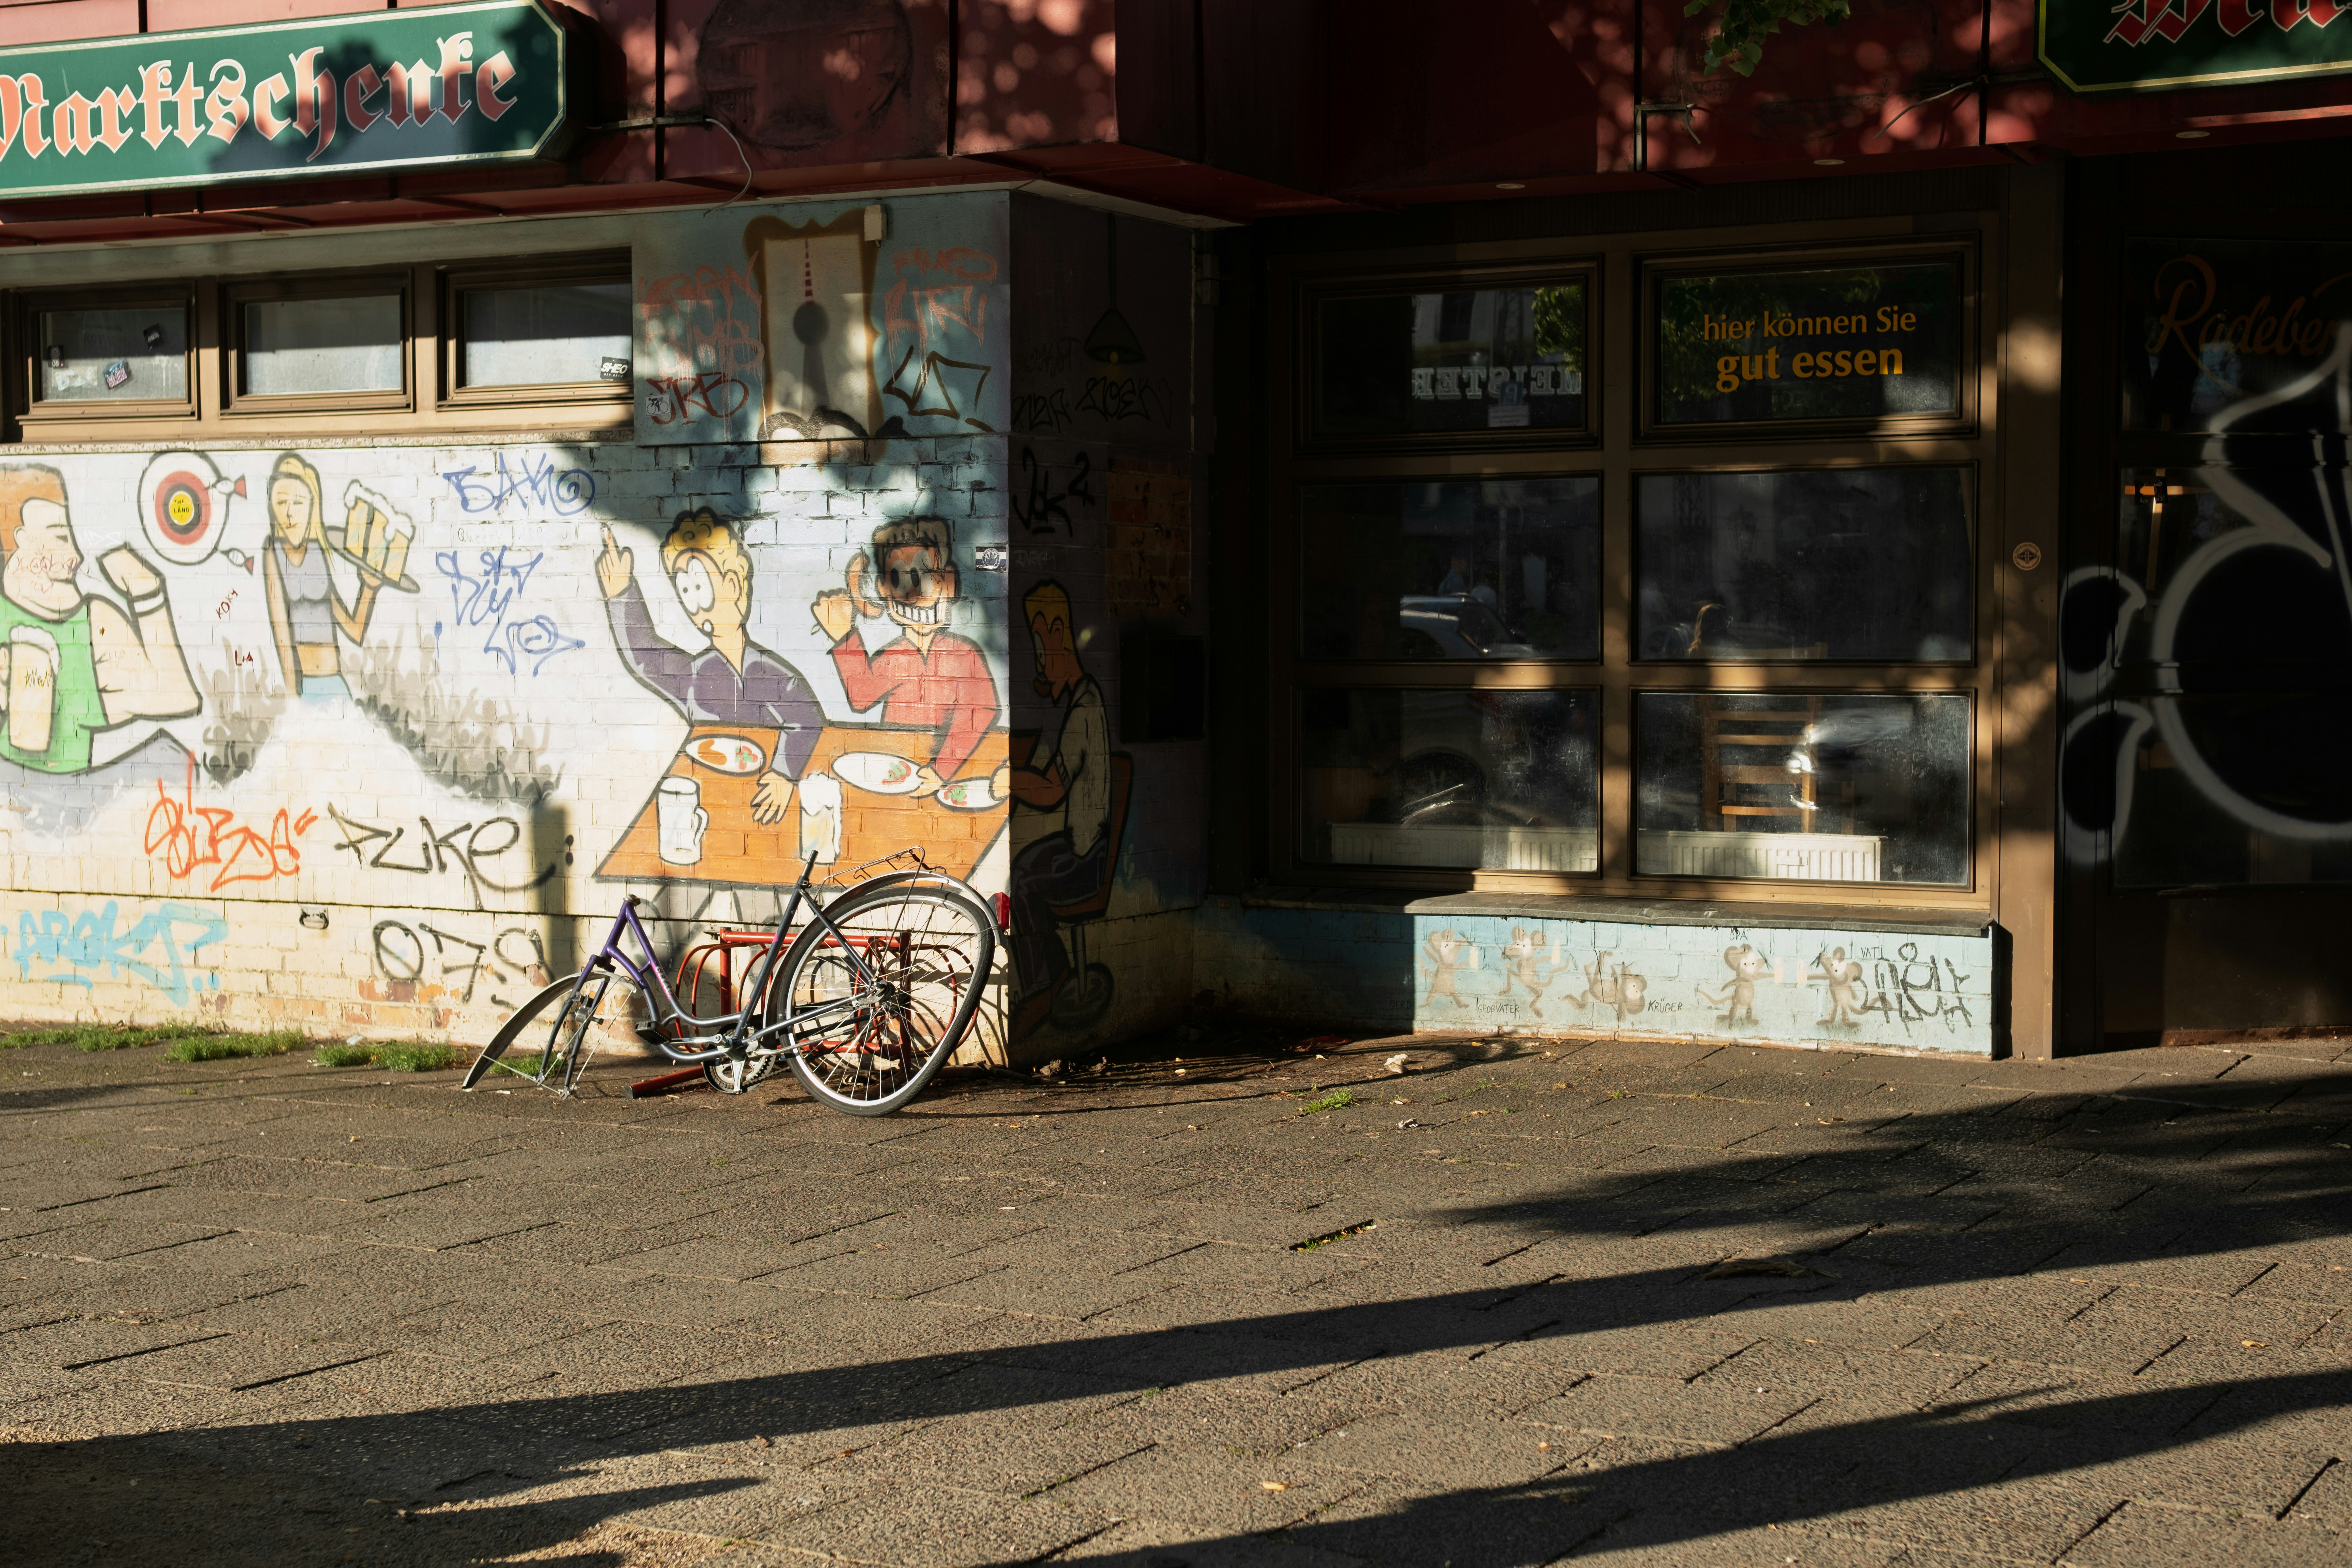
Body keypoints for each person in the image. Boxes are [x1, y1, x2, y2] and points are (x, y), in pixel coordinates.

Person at [598, 507, 824, 824]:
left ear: (732, 586)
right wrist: (622, 594)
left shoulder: (770, 673)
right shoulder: (695, 675)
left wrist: (784, 774)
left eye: (700, 587)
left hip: (766, 799)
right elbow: (647, 657)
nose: (696, 608)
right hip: (711, 799)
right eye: (686, 591)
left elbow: (807, 718)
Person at [0, 465, 197, 773]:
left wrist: (147, 593)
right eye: (61, 537)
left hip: (64, 792)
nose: (76, 556)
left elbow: (176, 698)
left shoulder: (93, 621)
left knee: (171, 756)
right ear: (22, 539)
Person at [812, 515, 998, 790]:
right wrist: (844, 636)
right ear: (883, 590)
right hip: (897, 769)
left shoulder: (963, 653)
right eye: (898, 578)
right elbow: (862, 696)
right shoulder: (896, 655)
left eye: (927, 574)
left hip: (949, 774)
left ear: (949, 581)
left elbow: (981, 709)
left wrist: (942, 769)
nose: (915, 592)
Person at [1004, 579, 1112, 1037]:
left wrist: (1006, 778)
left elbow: (1051, 790)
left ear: (1055, 634)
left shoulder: (1083, 709)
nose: (1038, 660)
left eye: (1039, 645)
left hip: (1087, 859)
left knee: (1022, 880)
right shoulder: (1086, 697)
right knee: (1027, 868)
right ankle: (1057, 973)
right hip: (1085, 847)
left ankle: (1040, 991)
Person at [260, 452, 383, 699]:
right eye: (281, 503)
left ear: (311, 506)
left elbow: (355, 631)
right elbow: (282, 636)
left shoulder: (318, 553)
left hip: (335, 683)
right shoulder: (273, 552)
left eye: (298, 503)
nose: (289, 513)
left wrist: (369, 588)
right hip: (305, 687)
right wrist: (293, 697)